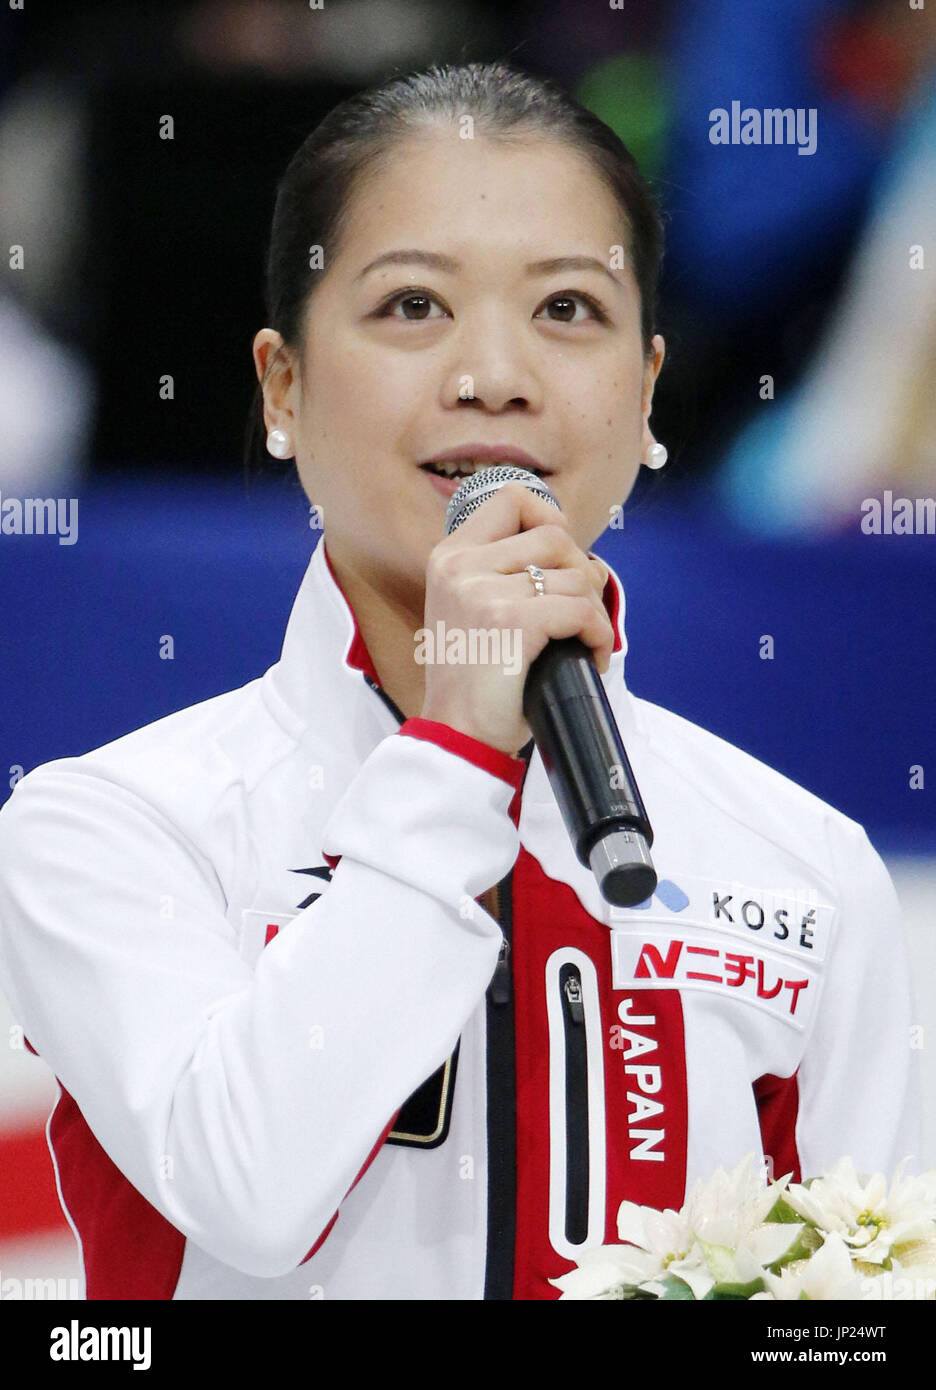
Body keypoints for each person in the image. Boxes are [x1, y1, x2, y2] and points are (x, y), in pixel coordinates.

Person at [0, 61, 920, 1301]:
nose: (495, 374)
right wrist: (454, 759)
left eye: (568, 312)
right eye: (414, 305)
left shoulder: (806, 868)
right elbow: (251, 1192)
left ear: (648, 395)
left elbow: (872, 1304)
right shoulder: (114, 825)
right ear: (282, 387)